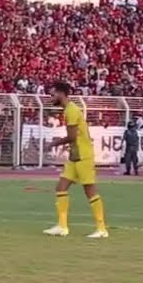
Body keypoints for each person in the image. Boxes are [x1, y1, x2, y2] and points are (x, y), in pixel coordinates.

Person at [42, 82, 109, 239]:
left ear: (61, 94)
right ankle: (62, 226)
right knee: (61, 187)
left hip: (83, 156)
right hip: (75, 156)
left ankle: (101, 229)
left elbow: (72, 137)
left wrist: (53, 143)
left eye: (53, 94)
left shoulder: (71, 111)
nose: (51, 98)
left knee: (90, 191)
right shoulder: (68, 110)